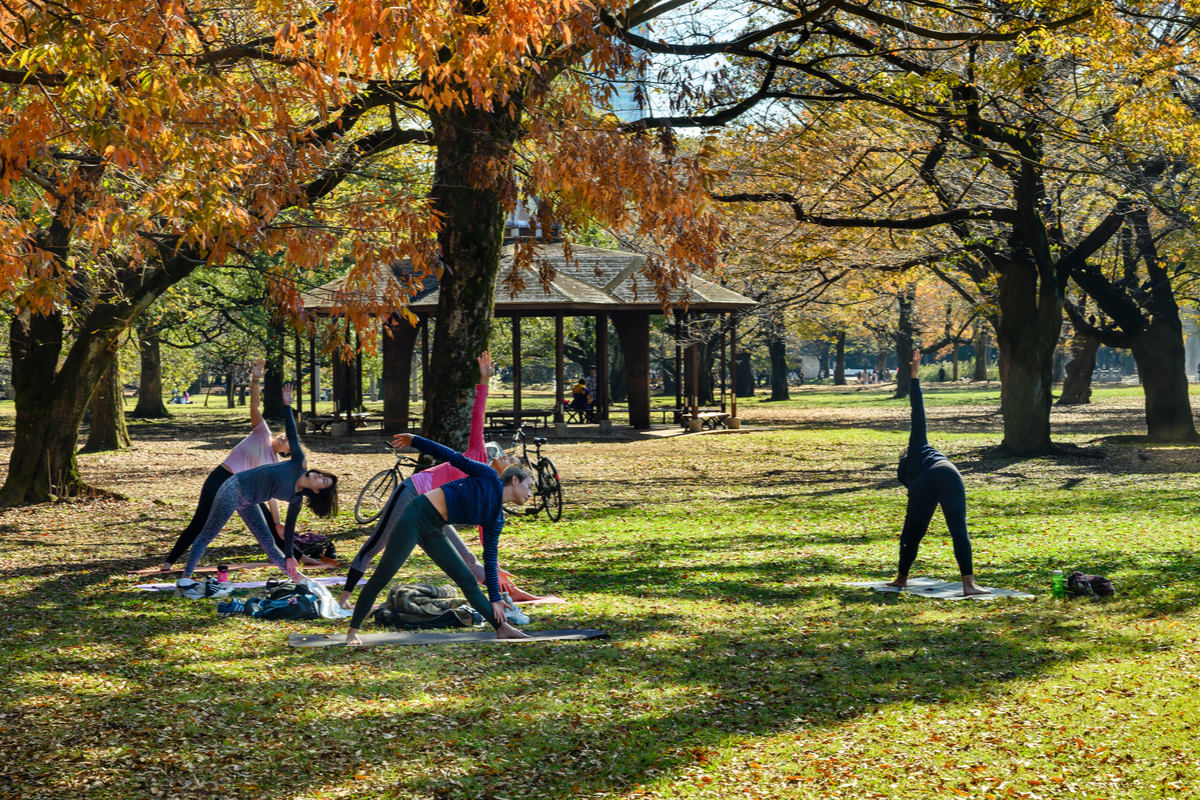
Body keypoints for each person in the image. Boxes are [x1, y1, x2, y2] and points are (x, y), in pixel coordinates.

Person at [337, 353, 520, 609]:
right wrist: (484, 380)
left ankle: (502, 601)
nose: (504, 455)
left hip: (437, 509)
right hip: (414, 491)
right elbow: (477, 417)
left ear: (509, 475)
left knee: (467, 557)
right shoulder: (478, 455)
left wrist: (496, 568)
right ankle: (345, 597)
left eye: (509, 458)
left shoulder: (492, 493)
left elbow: (485, 532)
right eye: (507, 454)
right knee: (379, 543)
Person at [344, 433, 535, 645]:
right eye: (529, 487)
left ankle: (502, 628)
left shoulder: (496, 519)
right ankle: (353, 631)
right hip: (415, 516)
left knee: (468, 579)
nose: (530, 495)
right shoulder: (487, 475)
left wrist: (496, 599)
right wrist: (415, 441)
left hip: (435, 528)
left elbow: (490, 561)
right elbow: (453, 457)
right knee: (382, 576)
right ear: (515, 480)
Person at [175, 382, 339, 589]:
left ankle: (296, 578)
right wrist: (287, 406)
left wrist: (290, 556)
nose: (317, 475)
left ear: (316, 490)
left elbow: (289, 532)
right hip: (234, 488)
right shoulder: (298, 462)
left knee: (268, 542)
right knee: (208, 534)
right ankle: (185, 579)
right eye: (321, 475)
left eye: (322, 481)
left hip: (249, 501)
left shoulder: (296, 499)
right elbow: (292, 434)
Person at [159, 360, 299, 572]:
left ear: (288, 452)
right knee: (200, 521)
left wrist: (278, 522)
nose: (285, 437)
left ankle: (293, 559)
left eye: (289, 440)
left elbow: (271, 498)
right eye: (286, 434)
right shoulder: (263, 432)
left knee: (268, 526)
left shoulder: (274, 464)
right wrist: (255, 379)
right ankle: (170, 560)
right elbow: (254, 406)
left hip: (243, 489)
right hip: (221, 478)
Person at [889, 348, 990, 596]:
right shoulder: (919, 446)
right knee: (958, 530)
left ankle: (901, 579)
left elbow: (910, 526)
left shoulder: (910, 468)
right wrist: (914, 375)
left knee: (912, 530)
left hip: (924, 482)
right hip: (949, 474)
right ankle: (969, 585)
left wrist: (913, 374)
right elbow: (918, 412)